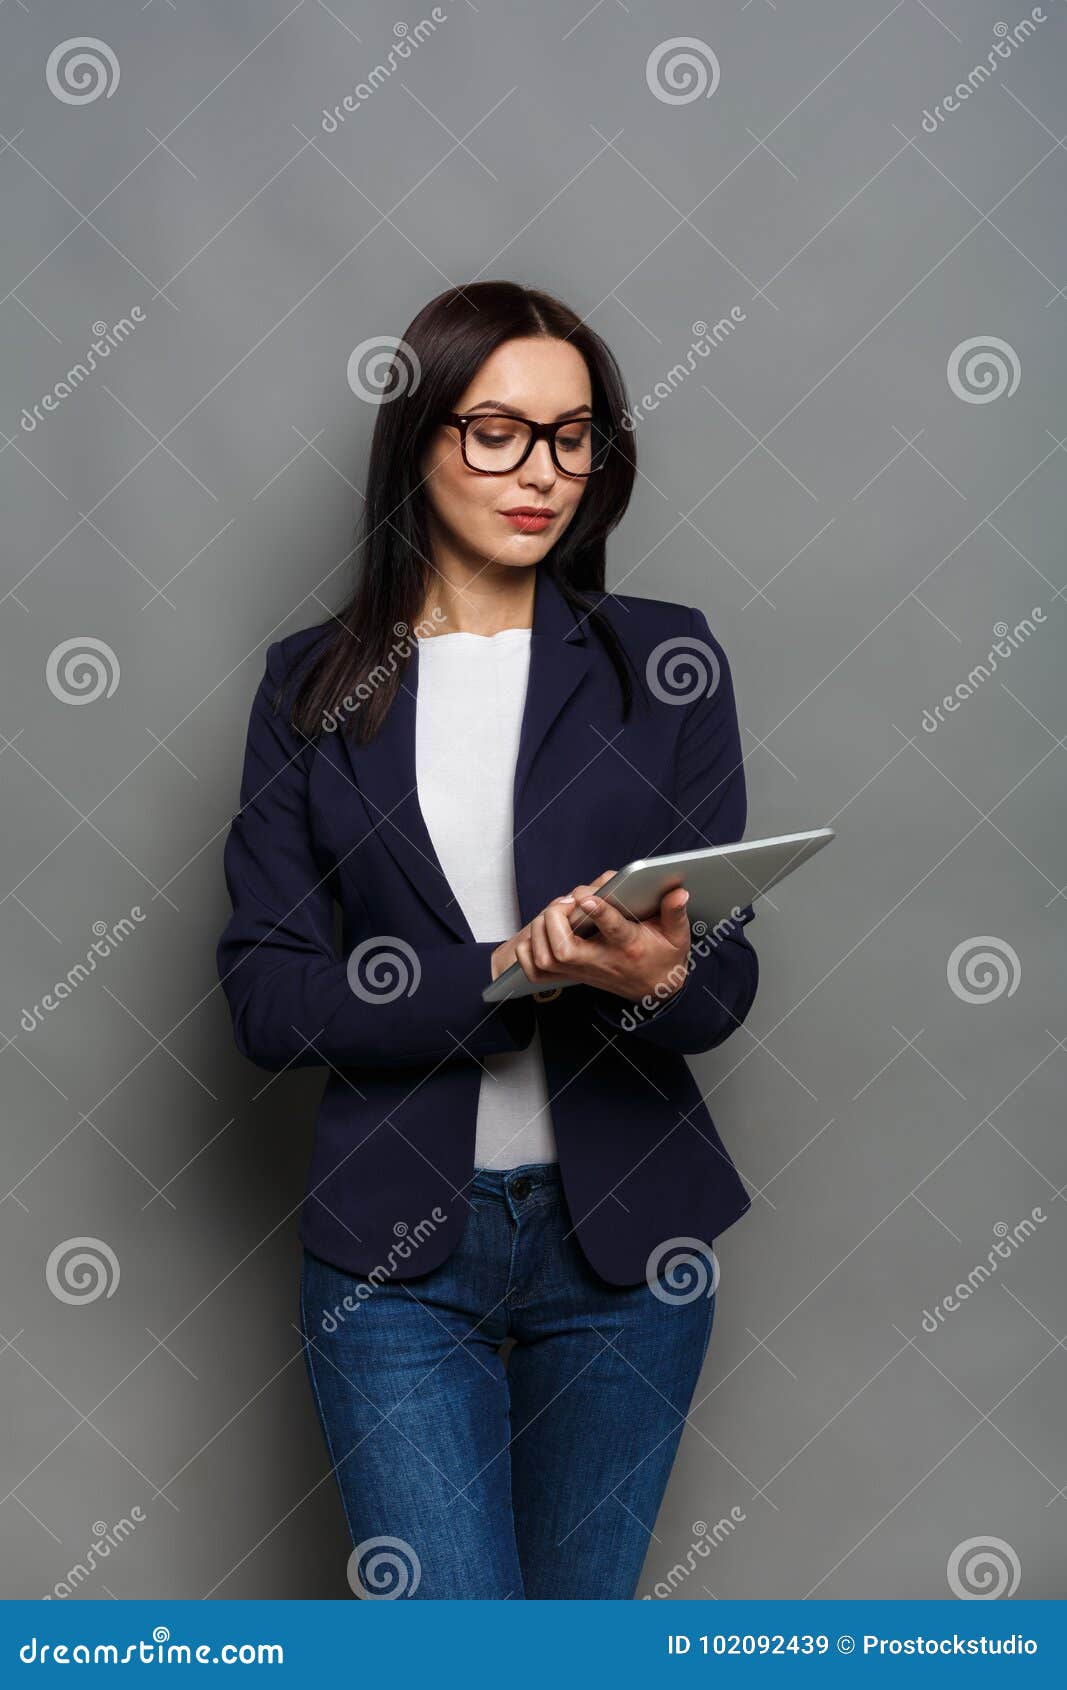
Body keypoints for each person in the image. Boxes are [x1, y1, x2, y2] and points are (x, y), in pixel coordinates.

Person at [216, 280, 759, 1599]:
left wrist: (657, 971)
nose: (543, 472)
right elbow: (267, 998)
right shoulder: (313, 686)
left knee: (575, 1654)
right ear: (419, 443)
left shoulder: (666, 659)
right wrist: (509, 970)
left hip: (629, 1247)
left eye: (574, 437)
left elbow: (724, 979)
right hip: (395, 1257)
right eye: (498, 431)